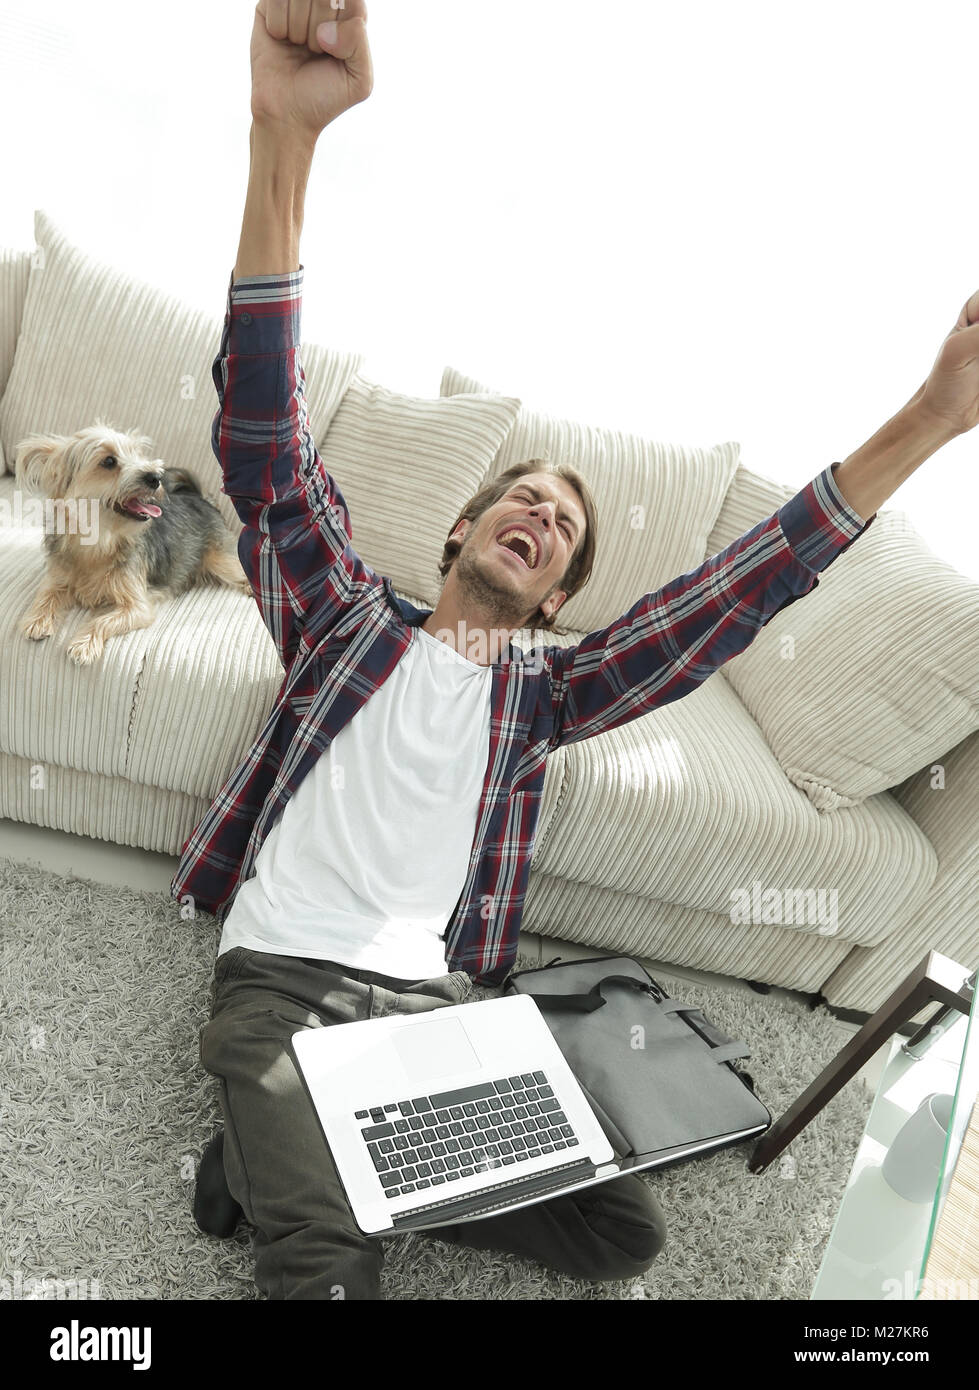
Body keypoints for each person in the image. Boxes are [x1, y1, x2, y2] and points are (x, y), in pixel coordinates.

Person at [176, 1, 978, 1301]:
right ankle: (300, 1175)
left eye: (567, 523)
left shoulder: (545, 697)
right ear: (460, 529)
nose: (544, 511)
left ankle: (271, 1159)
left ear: (558, 601)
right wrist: (284, 139)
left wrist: (935, 417)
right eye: (524, 495)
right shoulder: (342, 617)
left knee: (624, 1237)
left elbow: (732, 595)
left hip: (429, 1023)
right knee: (326, 1268)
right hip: (282, 983)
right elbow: (261, 436)